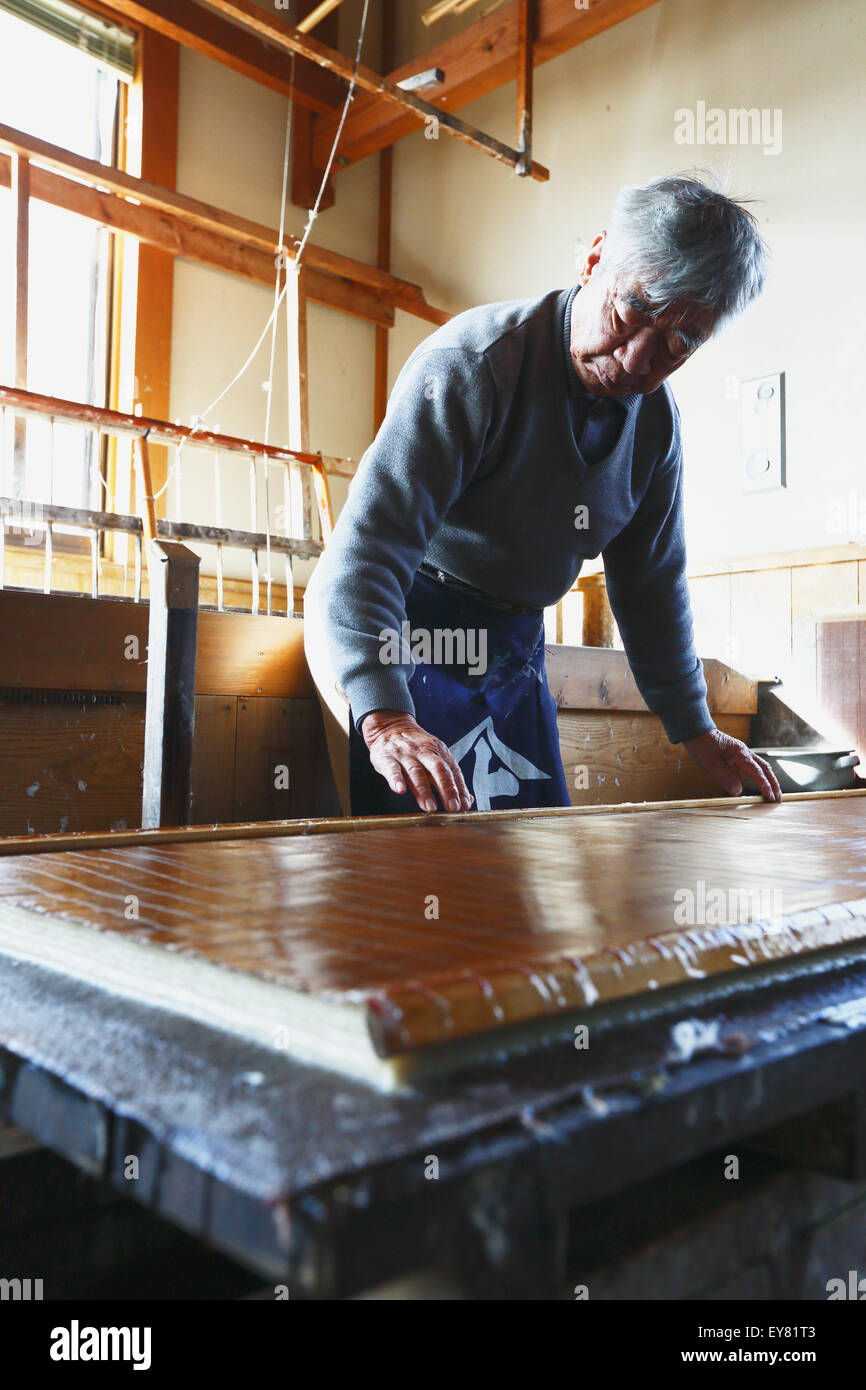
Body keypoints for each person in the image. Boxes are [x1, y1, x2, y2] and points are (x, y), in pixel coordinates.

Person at [304, 173, 783, 816]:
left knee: (529, 847)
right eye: (632, 310)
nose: (638, 360)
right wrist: (385, 717)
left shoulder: (656, 426)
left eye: (678, 343)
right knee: (414, 856)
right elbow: (368, 551)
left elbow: (651, 587)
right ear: (593, 260)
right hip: (399, 626)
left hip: (511, 645)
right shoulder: (472, 365)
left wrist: (696, 729)